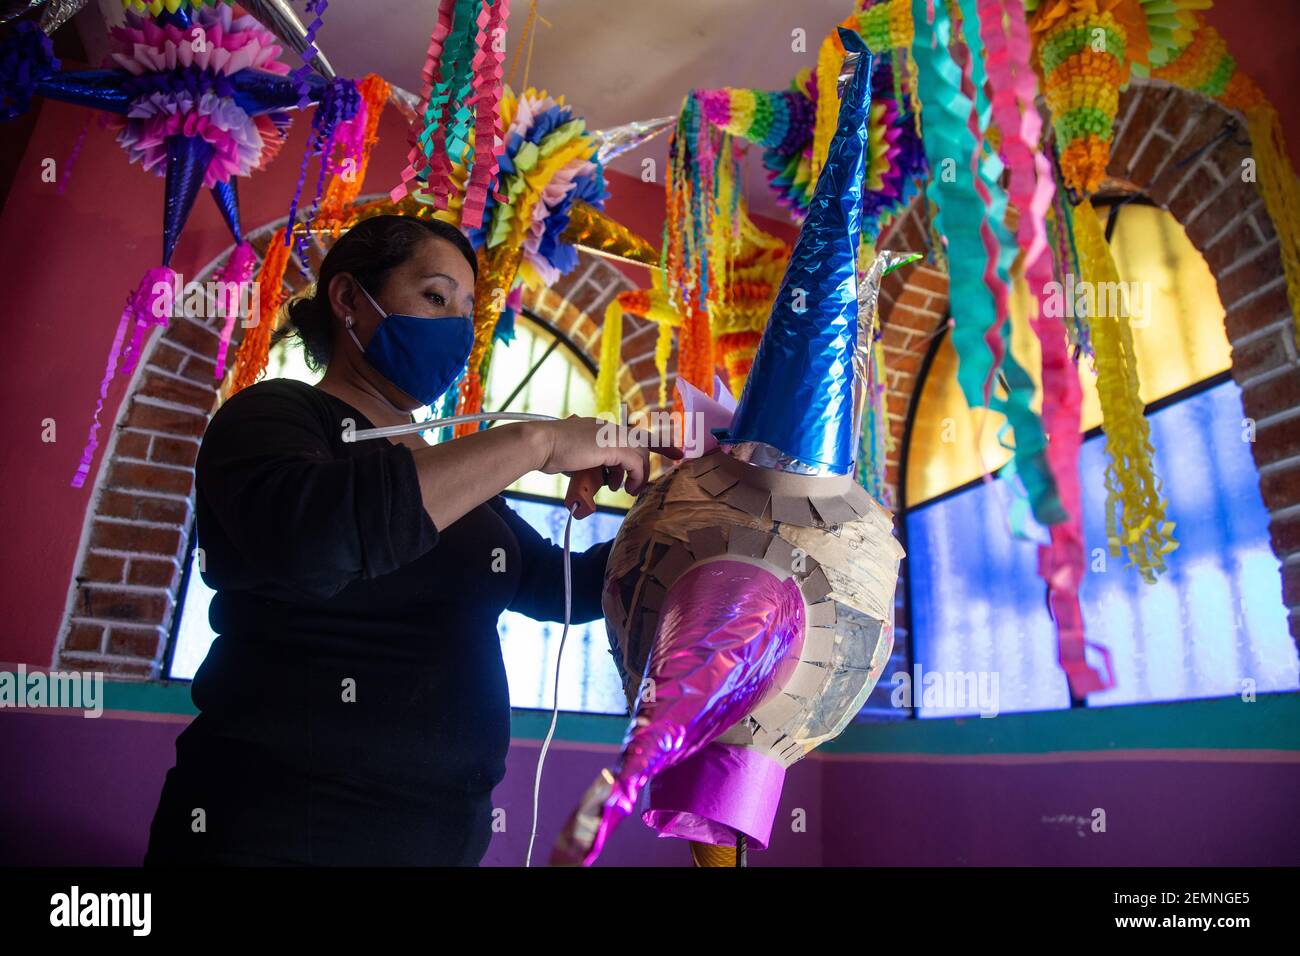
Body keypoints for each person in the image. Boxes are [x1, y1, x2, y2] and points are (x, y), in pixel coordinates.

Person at [143, 214, 678, 866]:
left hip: (441, 838)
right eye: (434, 296)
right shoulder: (274, 415)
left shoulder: (450, 470)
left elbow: (554, 586)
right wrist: (535, 441)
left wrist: (683, 518)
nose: (456, 326)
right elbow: (315, 540)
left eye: (465, 309)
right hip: (277, 828)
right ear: (347, 300)